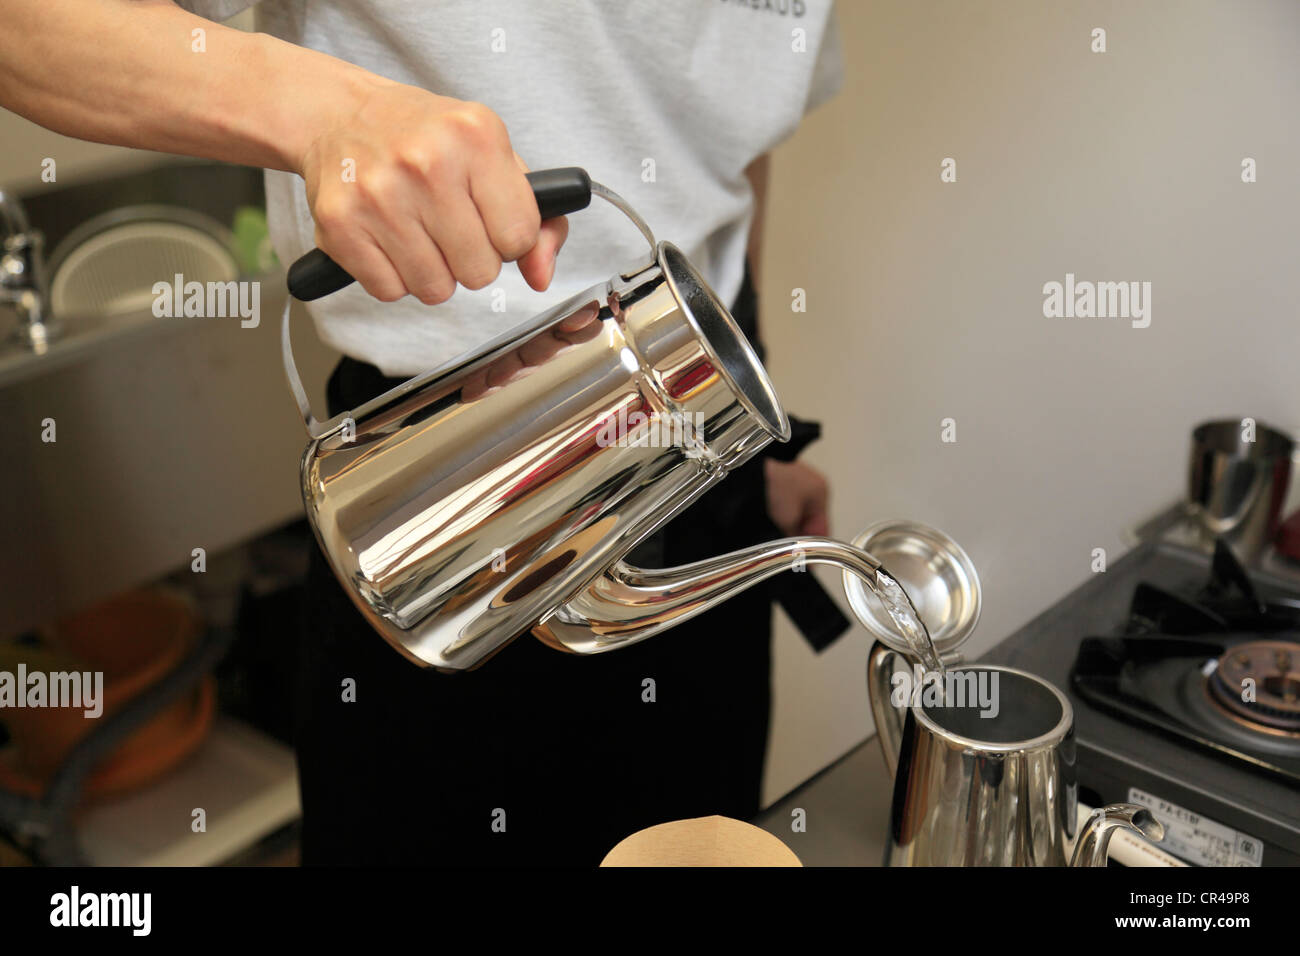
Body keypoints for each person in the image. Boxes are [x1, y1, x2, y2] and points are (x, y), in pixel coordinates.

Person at [2, 0, 846, 865]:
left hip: (699, 452)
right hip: (451, 487)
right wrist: (327, 113)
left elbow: (733, 152)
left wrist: (747, 430)